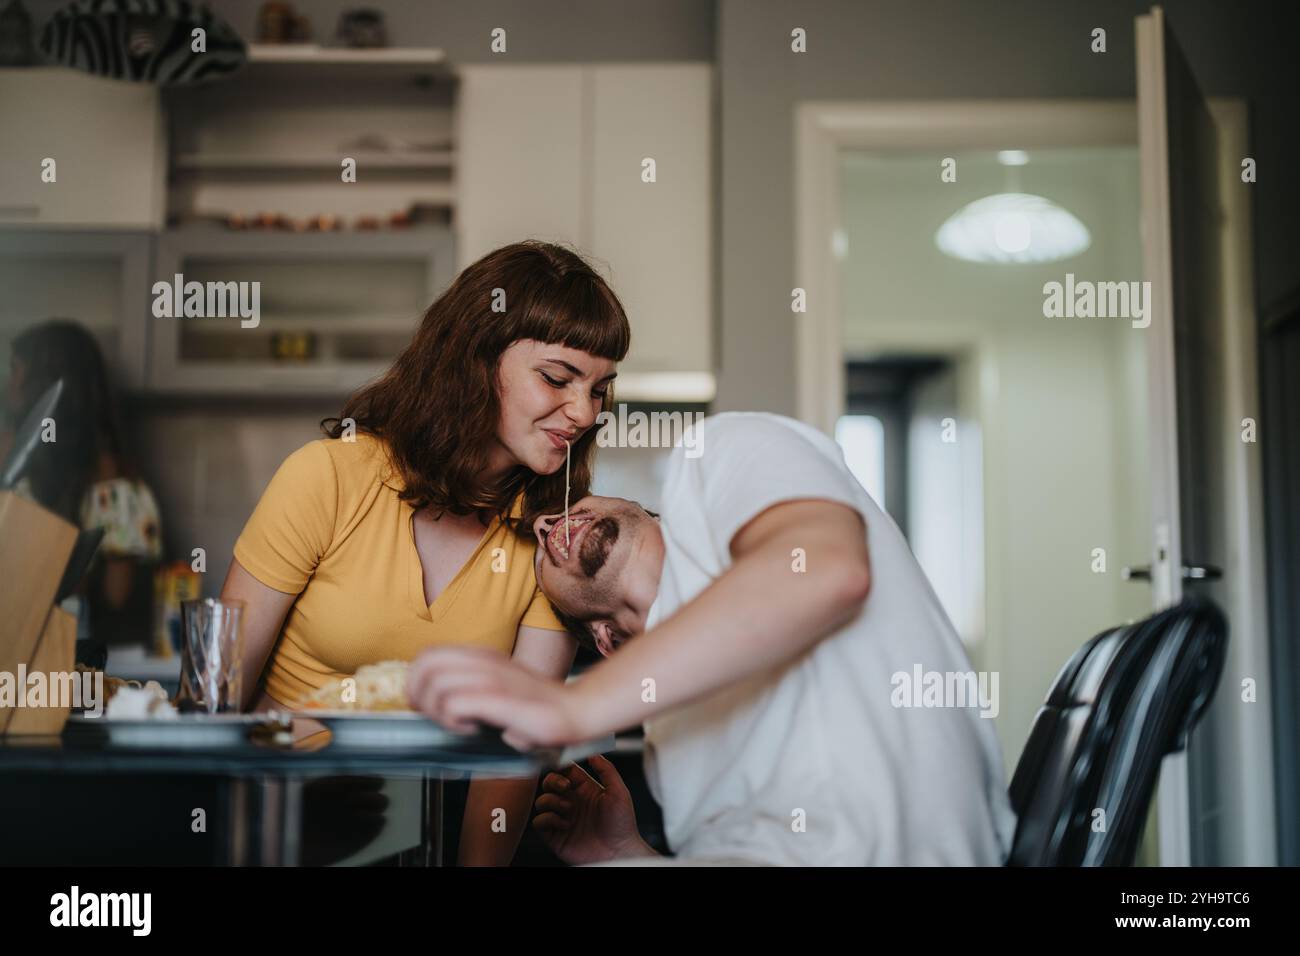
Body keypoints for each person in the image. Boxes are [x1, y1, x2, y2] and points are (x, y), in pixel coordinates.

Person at [408, 412, 1017, 865]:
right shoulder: (678, 720)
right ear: (607, 640)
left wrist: (569, 706)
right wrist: (621, 856)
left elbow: (830, 568)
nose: (543, 523)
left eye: (557, 506)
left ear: (646, 510)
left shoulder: (720, 452)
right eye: (538, 554)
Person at [220, 240, 630, 865]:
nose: (582, 412)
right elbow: (217, 703)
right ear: (476, 358)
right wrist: (278, 807)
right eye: (556, 377)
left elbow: (511, 758)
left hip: (430, 839)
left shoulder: (554, 539)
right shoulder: (328, 478)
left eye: (600, 389)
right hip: (281, 825)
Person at [3, 320, 162, 659]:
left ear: (45, 382)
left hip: (69, 659)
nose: (9, 382)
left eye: (16, 369)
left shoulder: (108, 480)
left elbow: (117, 598)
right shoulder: (13, 459)